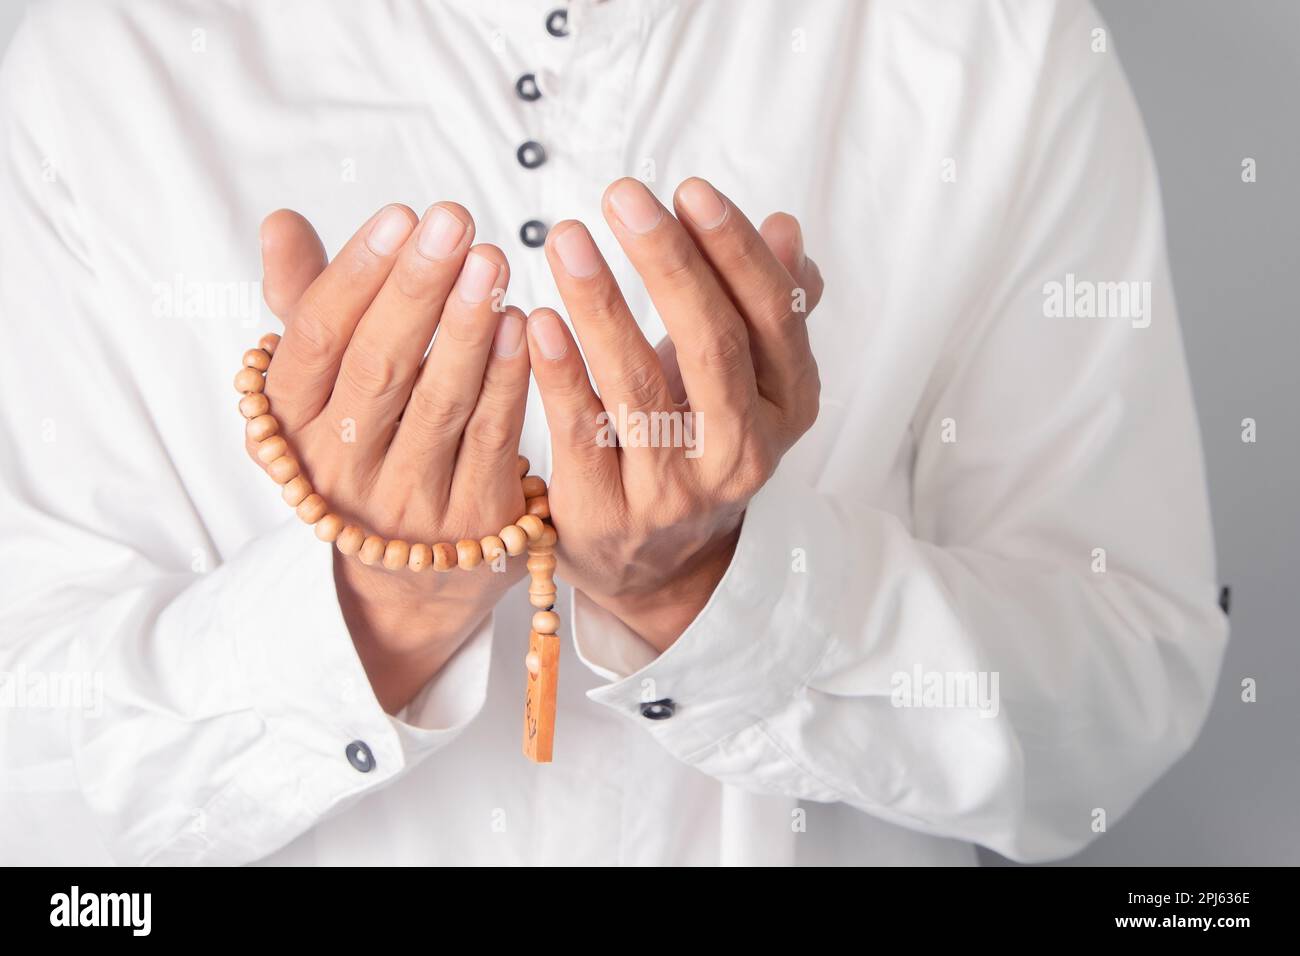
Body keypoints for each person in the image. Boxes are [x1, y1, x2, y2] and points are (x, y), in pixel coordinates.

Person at [0, 0, 1226, 866]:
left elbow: (1116, 713)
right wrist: (376, 607)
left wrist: (726, 589)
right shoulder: (95, 61)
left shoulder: (994, 41)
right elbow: (29, 780)